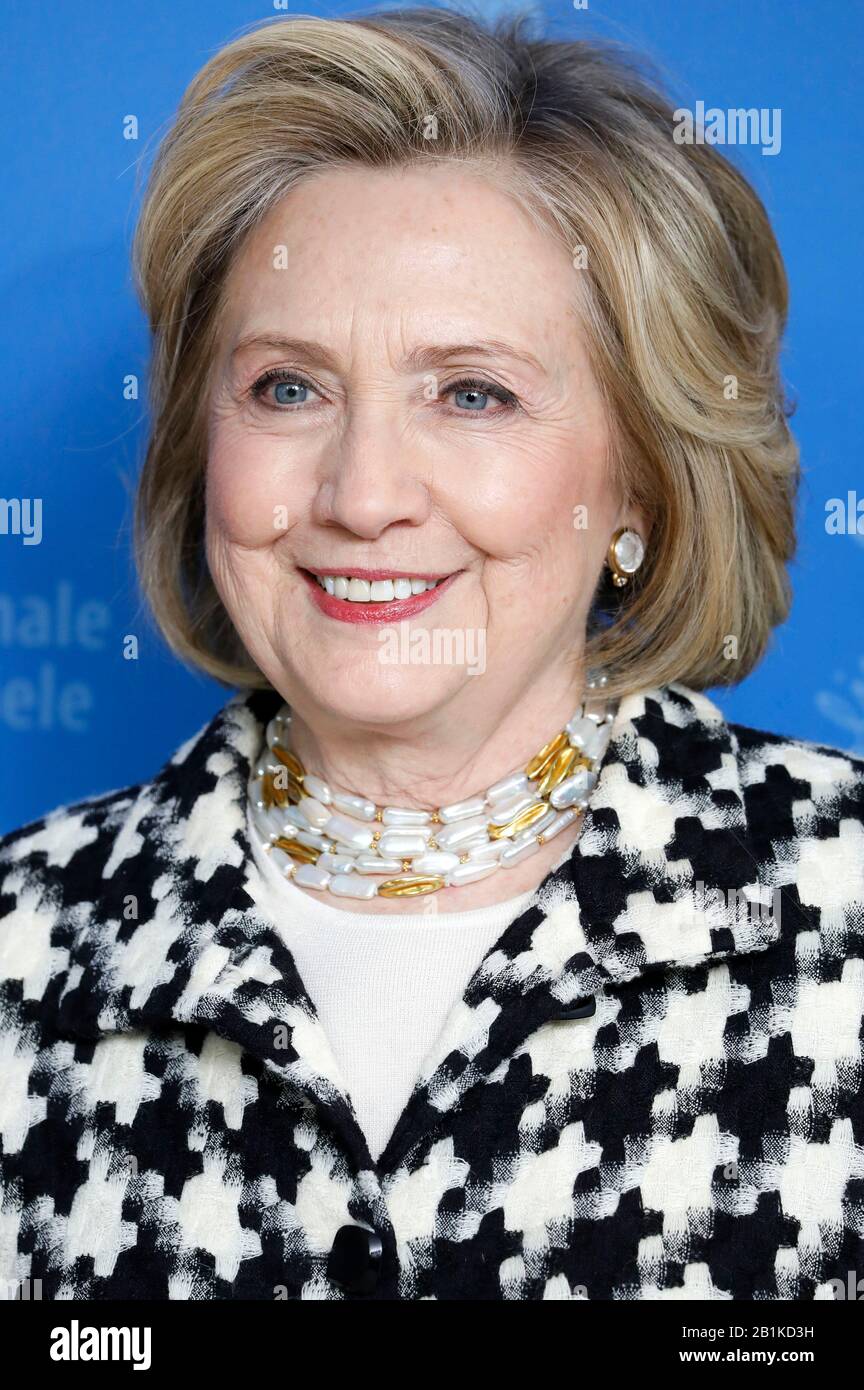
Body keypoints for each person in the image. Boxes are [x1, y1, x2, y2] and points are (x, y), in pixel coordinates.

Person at [1, 5, 862, 1302]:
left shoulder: (845, 911)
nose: (361, 493)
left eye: (472, 392)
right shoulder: (21, 943)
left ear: (640, 486)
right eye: (288, 387)